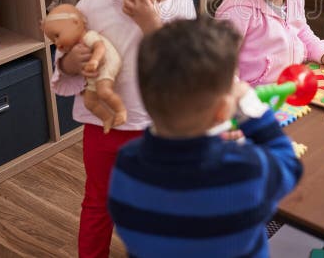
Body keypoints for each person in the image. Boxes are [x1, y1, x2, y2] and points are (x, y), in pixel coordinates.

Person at [51, 0, 196, 258]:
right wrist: (72, 61)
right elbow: (64, 64)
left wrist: (151, 24)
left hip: (158, 129)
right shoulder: (91, 5)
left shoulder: (179, 5)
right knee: (99, 202)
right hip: (103, 129)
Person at [108, 17, 303, 258]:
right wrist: (252, 111)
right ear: (223, 110)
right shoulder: (246, 168)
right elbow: (290, 165)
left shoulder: (125, 163)